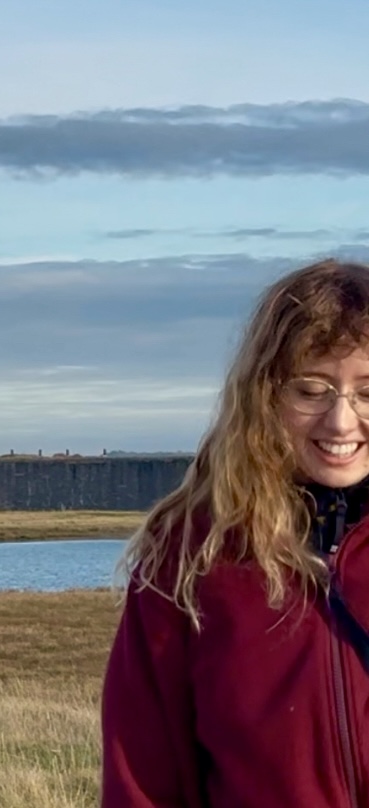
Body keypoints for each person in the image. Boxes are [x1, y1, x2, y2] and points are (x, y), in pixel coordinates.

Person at [102, 259, 369, 807]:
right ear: (265, 396)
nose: (341, 422)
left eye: (368, 392)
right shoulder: (190, 555)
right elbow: (142, 778)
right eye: (310, 390)